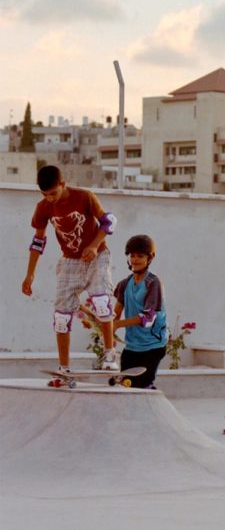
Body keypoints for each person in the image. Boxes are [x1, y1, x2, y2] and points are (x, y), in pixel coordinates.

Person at [21, 165, 119, 372]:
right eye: (45, 195)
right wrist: (30, 274)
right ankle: (64, 367)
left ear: (63, 184)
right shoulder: (43, 208)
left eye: (53, 193)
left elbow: (108, 221)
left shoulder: (84, 197)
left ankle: (110, 355)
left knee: (101, 302)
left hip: (97, 255)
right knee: (61, 317)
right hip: (70, 261)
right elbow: (38, 241)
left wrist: (93, 245)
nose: (50, 198)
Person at [110, 235, 168, 389]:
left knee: (143, 386)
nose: (135, 260)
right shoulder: (124, 284)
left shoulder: (153, 283)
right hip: (132, 346)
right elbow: (116, 312)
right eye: (132, 255)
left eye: (140, 256)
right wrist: (107, 325)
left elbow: (147, 318)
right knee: (126, 385)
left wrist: (118, 324)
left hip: (153, 345)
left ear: (150, 258)